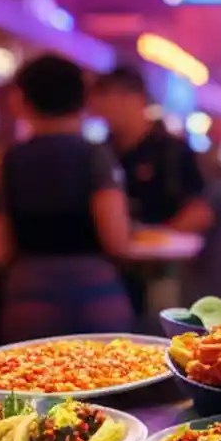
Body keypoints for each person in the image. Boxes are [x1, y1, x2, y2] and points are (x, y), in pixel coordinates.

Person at [0, 53, 134, 340]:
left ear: (23, 100)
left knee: (29, 380)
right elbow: (115, 240)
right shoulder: (95, 156)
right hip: (95, 292)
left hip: (29, 294)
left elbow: (0, 250)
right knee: (107, 378)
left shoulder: (6, 161)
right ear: (81, 99)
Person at [88, 66, 211, 317]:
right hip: (108, 272)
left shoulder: (172, 150)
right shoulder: (98, 152)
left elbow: (201, 211)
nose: (97, 108)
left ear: (134, 99)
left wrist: (156, 237)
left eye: (104, 98)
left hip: (160, 273)